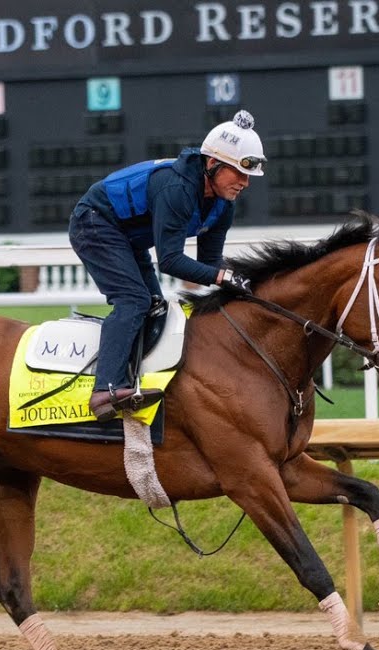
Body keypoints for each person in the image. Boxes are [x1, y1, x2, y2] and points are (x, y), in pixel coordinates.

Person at [68, 109, 265, 421]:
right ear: (212, 164)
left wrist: (239, 277)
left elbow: (209, 264)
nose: (245, 183)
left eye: (249, 176)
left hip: (125, 236)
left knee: (154, 305)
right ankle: (105, 390)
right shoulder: (176, 189)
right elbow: (171, 260)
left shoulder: (223, 206)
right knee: (133, 301)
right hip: (94, 222)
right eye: (239, 173)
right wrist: (224, 276)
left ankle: (130, 383)